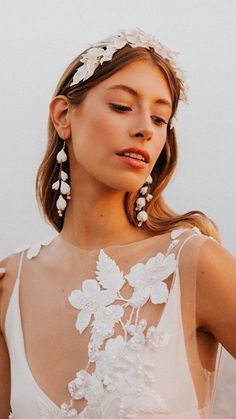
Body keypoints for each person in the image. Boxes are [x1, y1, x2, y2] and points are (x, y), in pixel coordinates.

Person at [0, 28, 235, 419]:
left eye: (160, 118)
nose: (146, 128)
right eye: (123, 107)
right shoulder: (9, 286)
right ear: (63, 115)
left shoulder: (191, 264)